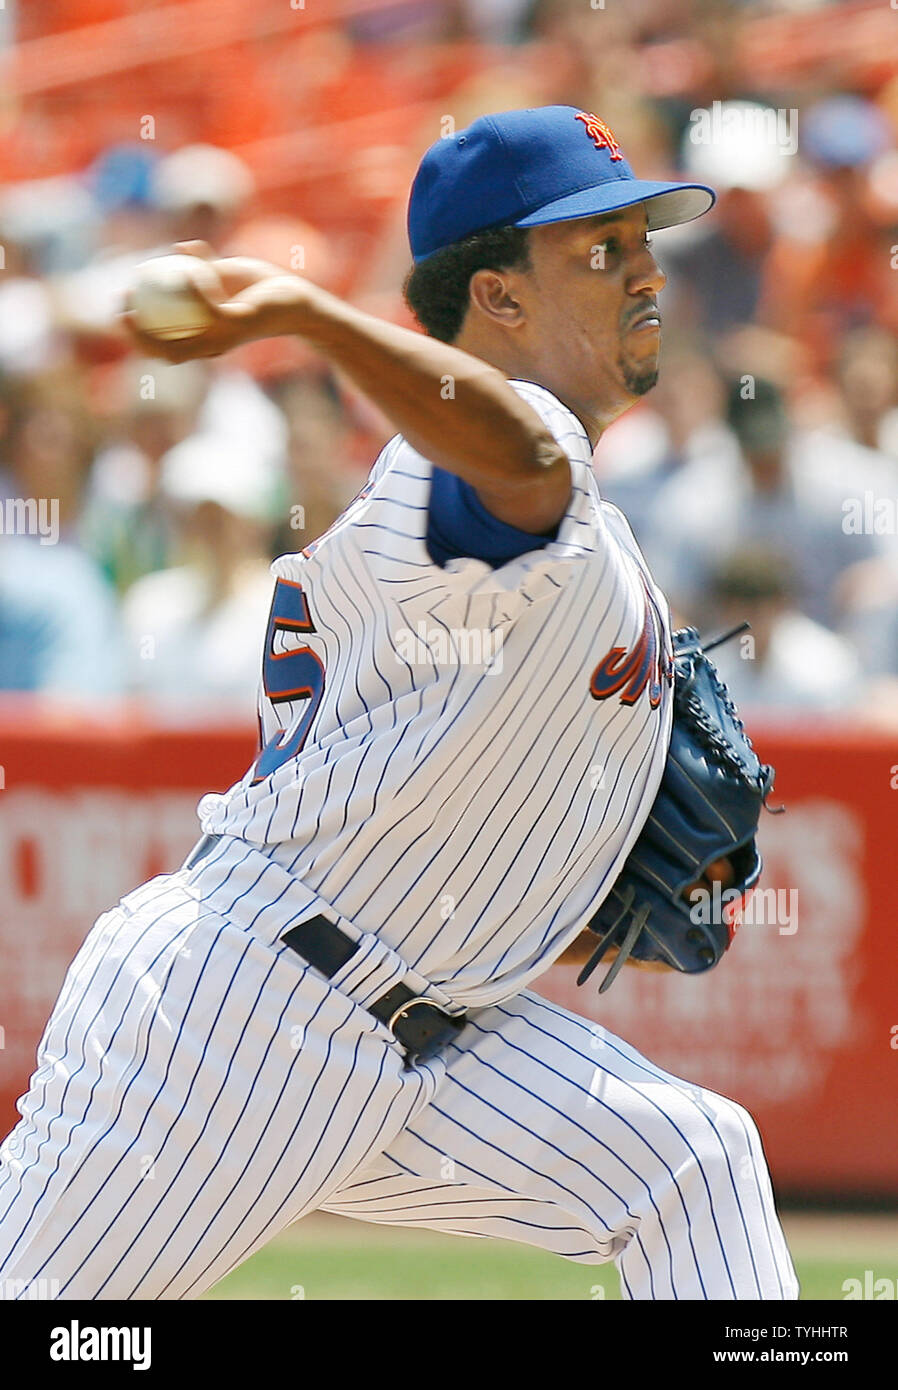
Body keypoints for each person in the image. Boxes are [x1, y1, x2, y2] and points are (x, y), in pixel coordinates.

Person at [0, 107, 798, 1300]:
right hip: (236, 1023)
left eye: (641, 237)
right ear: (498, 299)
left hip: (433, 1023)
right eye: (596, 247)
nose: (642, 266)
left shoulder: (580, 525)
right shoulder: (483, 459)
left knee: (690, 1164)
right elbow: (517, 467)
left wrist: (569, 895)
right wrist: (304, 313)